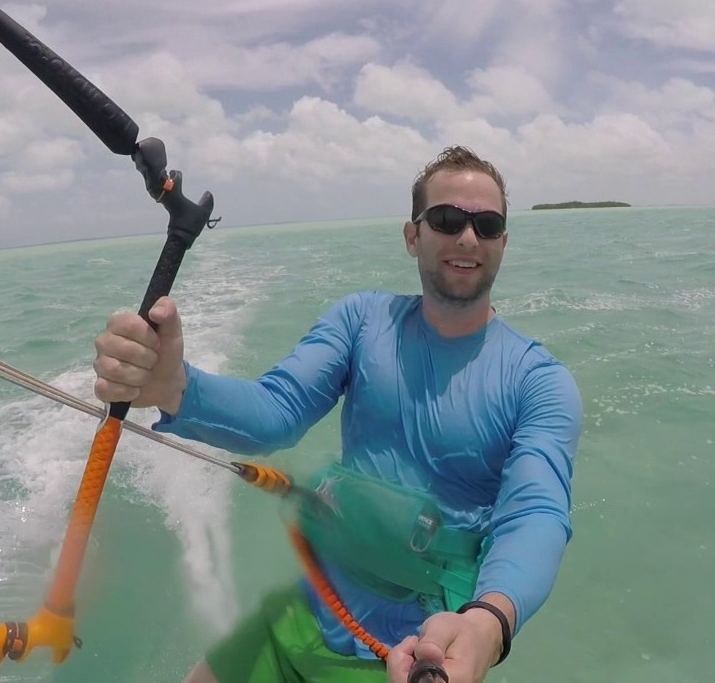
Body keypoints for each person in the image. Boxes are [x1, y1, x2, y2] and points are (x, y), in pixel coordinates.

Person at [92, 146, 582, 683]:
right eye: (446, 219)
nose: (468, 238)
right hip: (310, 606)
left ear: (503, 244)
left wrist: (490, 620)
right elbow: (276, 412)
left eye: (487, 226)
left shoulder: (540, 381)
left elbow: (535, 514)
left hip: (423, 649)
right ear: (412, 235)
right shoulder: (361, 321)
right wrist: (176, 386)